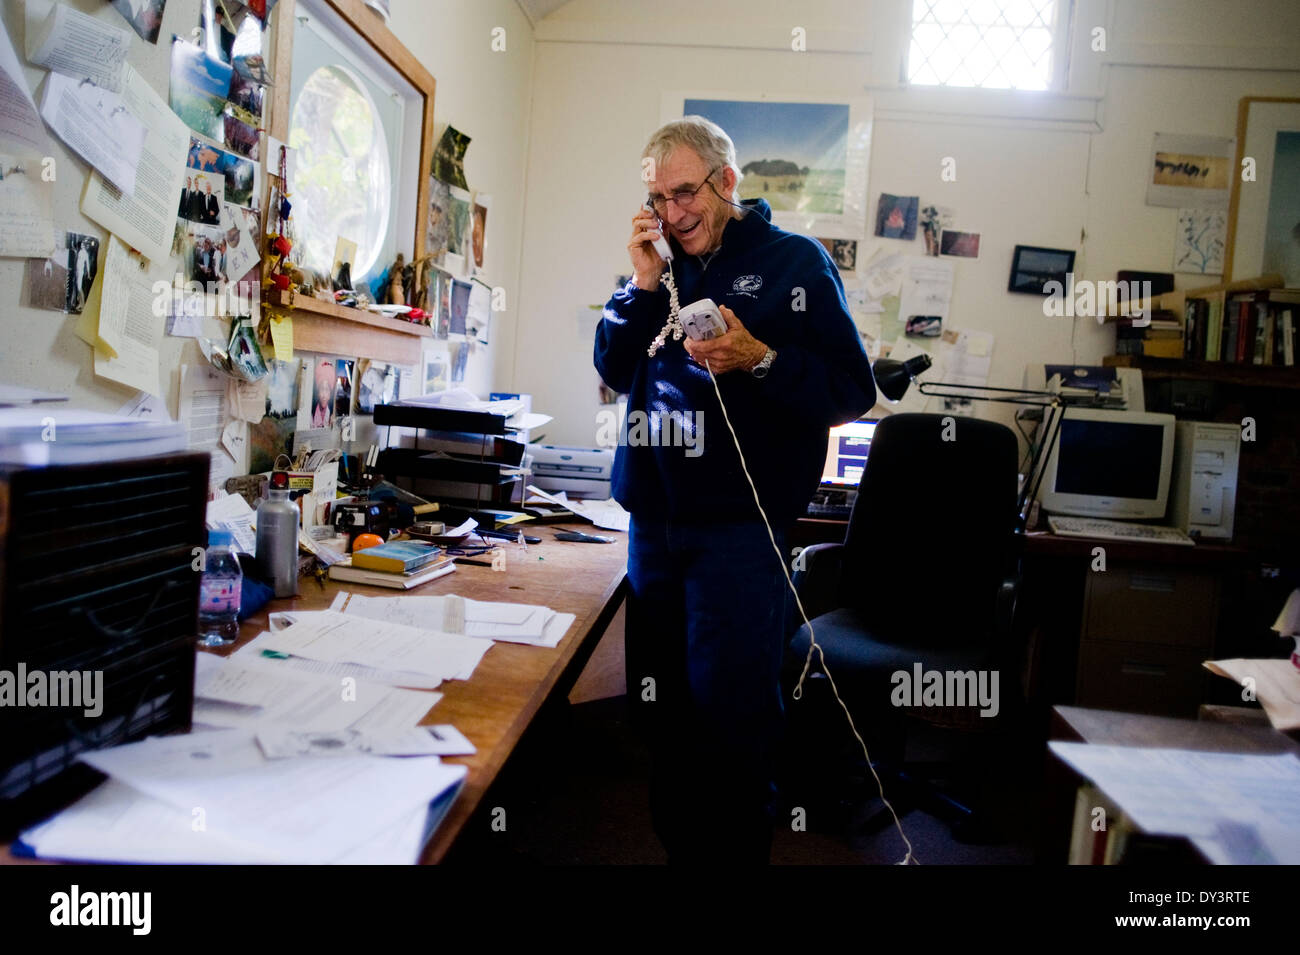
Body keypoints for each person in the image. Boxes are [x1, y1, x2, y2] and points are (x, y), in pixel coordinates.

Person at [593, 117, 876, 863]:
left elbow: (853, 389)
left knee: (733, 724)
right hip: (653, 525)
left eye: (685, 193)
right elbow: (617, 369)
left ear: (727, 181)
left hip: (741, 536)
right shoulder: (660, 263)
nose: (673, 212)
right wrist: (641, 284)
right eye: (657, 197)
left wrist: (760, 357)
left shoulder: (795, 264)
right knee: (660, 714)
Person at [311, 359, 335, 428]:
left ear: (330, 394)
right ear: (318, 392)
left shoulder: (333, 415)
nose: (324, 395)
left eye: (327, 390)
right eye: (322, 389)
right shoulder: (311, 413)